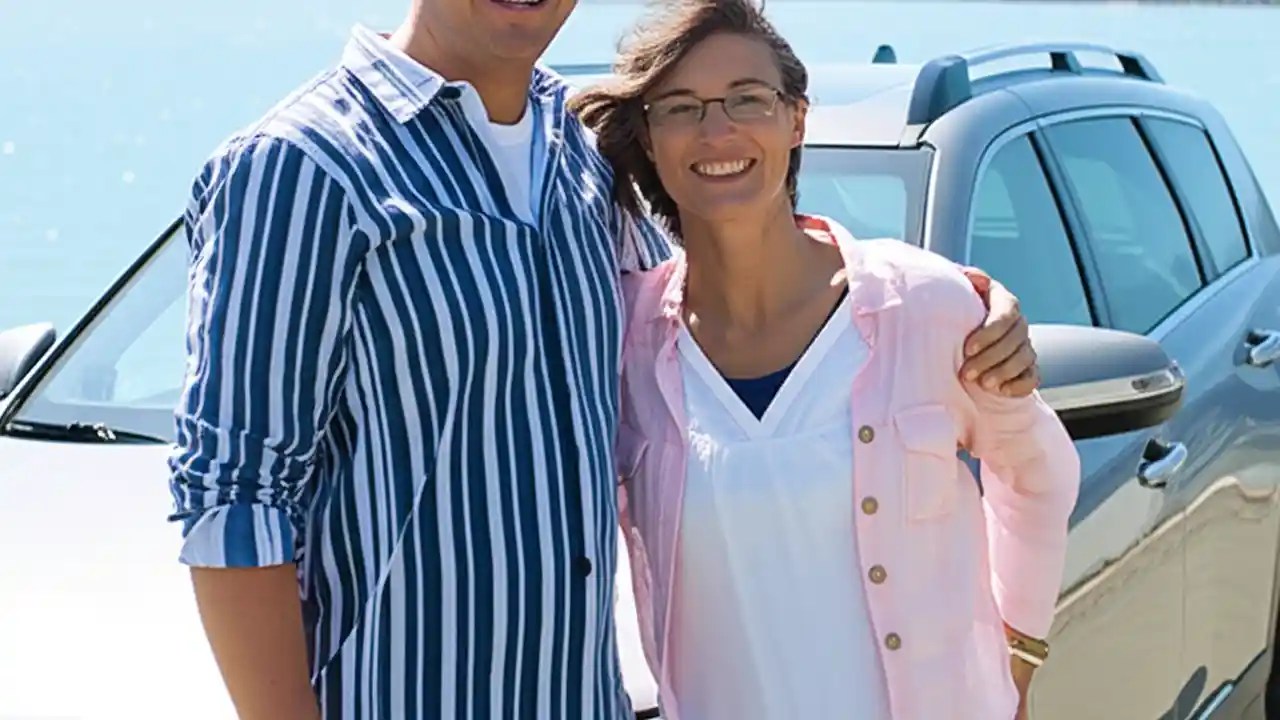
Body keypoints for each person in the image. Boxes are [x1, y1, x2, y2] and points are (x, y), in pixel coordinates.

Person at [166, 0, 1041, 716]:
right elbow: (230, 493)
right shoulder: (302, 167)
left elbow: (714, 291)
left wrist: (955, 297)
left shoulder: (577, 157)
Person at [571, 1, 1081, 719]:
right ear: (649, 139)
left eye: (748, 98)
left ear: (796, 120)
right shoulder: (624, 339)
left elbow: (1039, 475)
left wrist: (1019, 655)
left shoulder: (927, 307)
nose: (718, 131)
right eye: (680, 107)